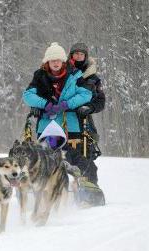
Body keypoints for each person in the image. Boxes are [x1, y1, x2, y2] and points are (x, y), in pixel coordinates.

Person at [22, 42, 93, 149]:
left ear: (63, 61)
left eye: (58, 60)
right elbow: (28, 95)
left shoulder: (74, 74)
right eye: (52, 60)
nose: (56, 63)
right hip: (46, 127)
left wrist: (66, 105)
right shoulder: (40, 75)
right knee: (47, 162)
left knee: (70, 163)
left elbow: (86, 94)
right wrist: (45, 104)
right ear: (47, 62)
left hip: (70, 127)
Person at [64, 42, 106, 185]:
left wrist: (90, 108)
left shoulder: (93, 78)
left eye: (82, 54)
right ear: (71, 55)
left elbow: (100, 101)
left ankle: (89, 187)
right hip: (62, 118)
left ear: (86, 56)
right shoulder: (63, 72)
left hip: (83, 121)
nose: (79, 56)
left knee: (85, 156)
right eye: (76, 53)